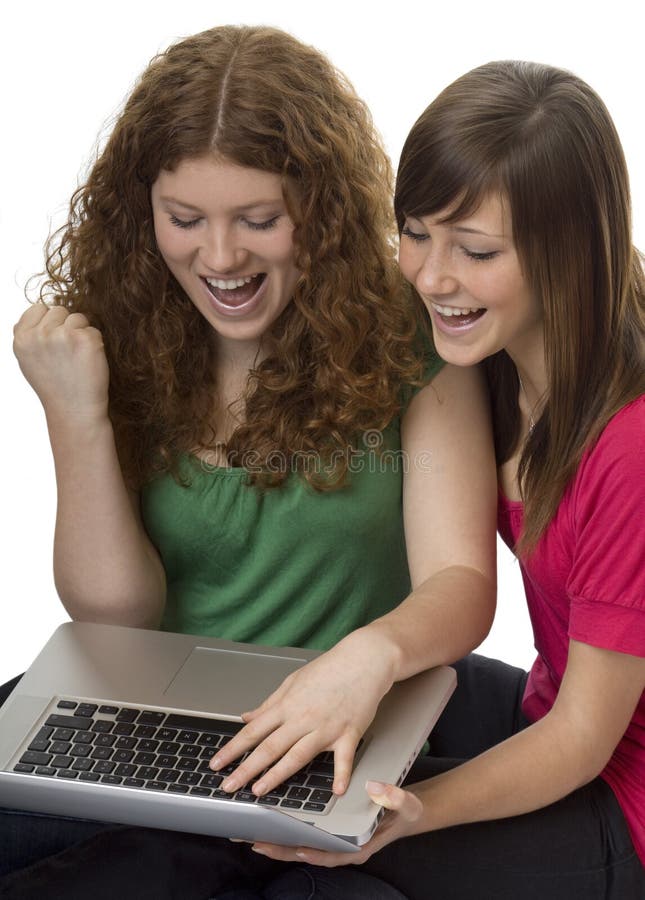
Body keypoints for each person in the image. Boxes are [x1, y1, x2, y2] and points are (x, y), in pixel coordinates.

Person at [2, 26, 496, 898]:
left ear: (325, 208)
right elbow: (115, 611)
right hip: (152, 716)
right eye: (184, 220)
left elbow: (460, 581)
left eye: (259, 221)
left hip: (339, 724)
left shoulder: (408, 336)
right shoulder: (120, 331)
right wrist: (74, 417)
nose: (220, 258)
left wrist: (368, 656)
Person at [252, 60, 645, 899]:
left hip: (625, 801)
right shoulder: (497, 360)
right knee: (292, 758)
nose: (431, 276)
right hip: (546, 706)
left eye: (474, 250)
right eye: (416, 231)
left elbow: (583, 739)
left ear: (570, 250)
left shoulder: (631, 445)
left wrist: (411, 811)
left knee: (319, 863)